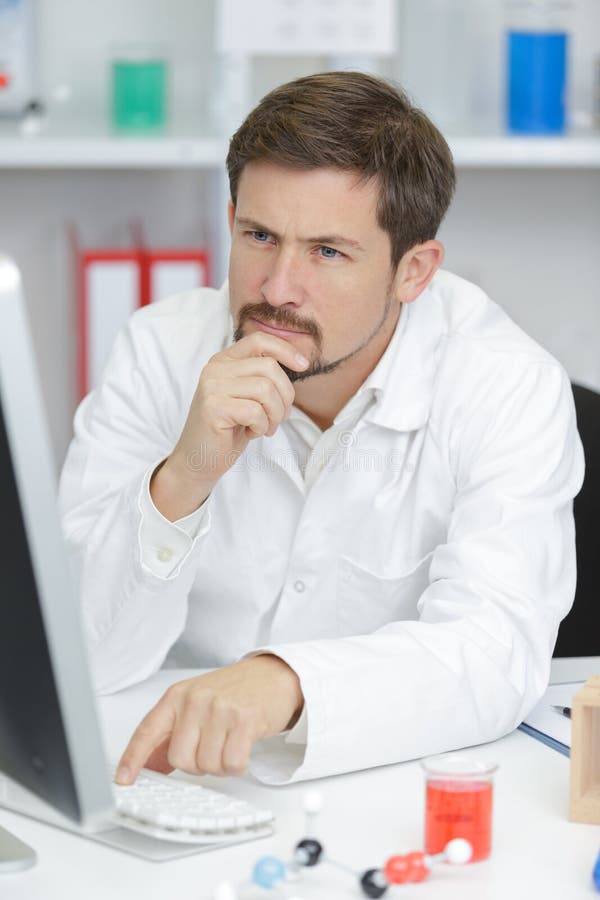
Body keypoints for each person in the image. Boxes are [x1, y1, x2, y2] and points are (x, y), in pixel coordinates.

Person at [58, 71, 584, 787]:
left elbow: (494, 655)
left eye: (328, 252)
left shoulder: (507, 385)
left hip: (390, 783)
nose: (277, 288)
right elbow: (80, 657)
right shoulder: (158, 350)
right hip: (165, 772)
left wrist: (286, 682)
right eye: (260, 236)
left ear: (414, 271)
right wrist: (181, 480)